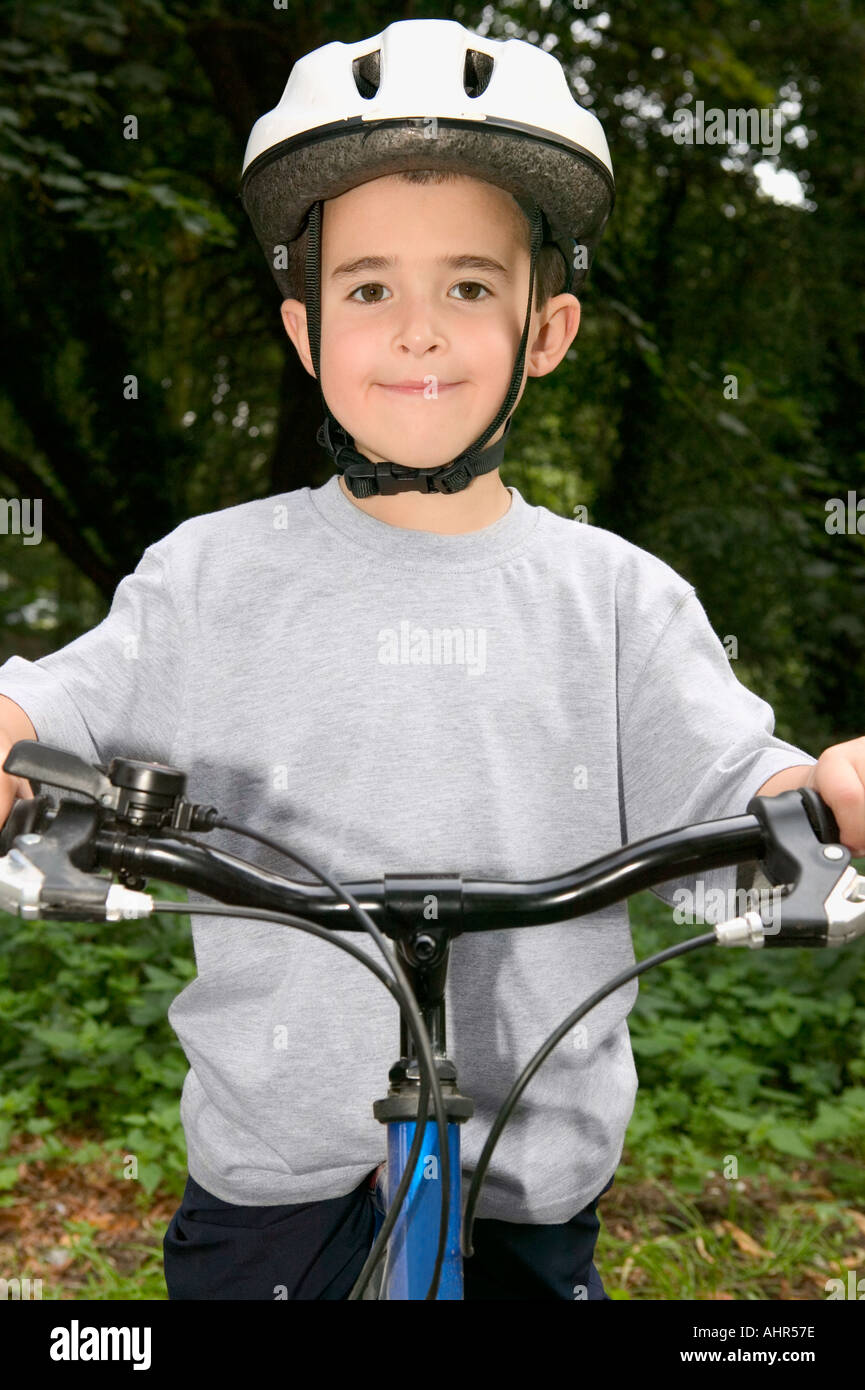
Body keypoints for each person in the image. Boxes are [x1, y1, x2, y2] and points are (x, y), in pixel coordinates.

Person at [0, 18, 863, 1302]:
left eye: (468, 286)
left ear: (547, 328)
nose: (417, 332)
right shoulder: (209, 577)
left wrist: (831, 792)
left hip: (526, 1183)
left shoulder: (618, 599)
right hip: (272, 1197)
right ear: (304, 332)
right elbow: (59, 701)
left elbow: (741, 794)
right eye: (367, 289)